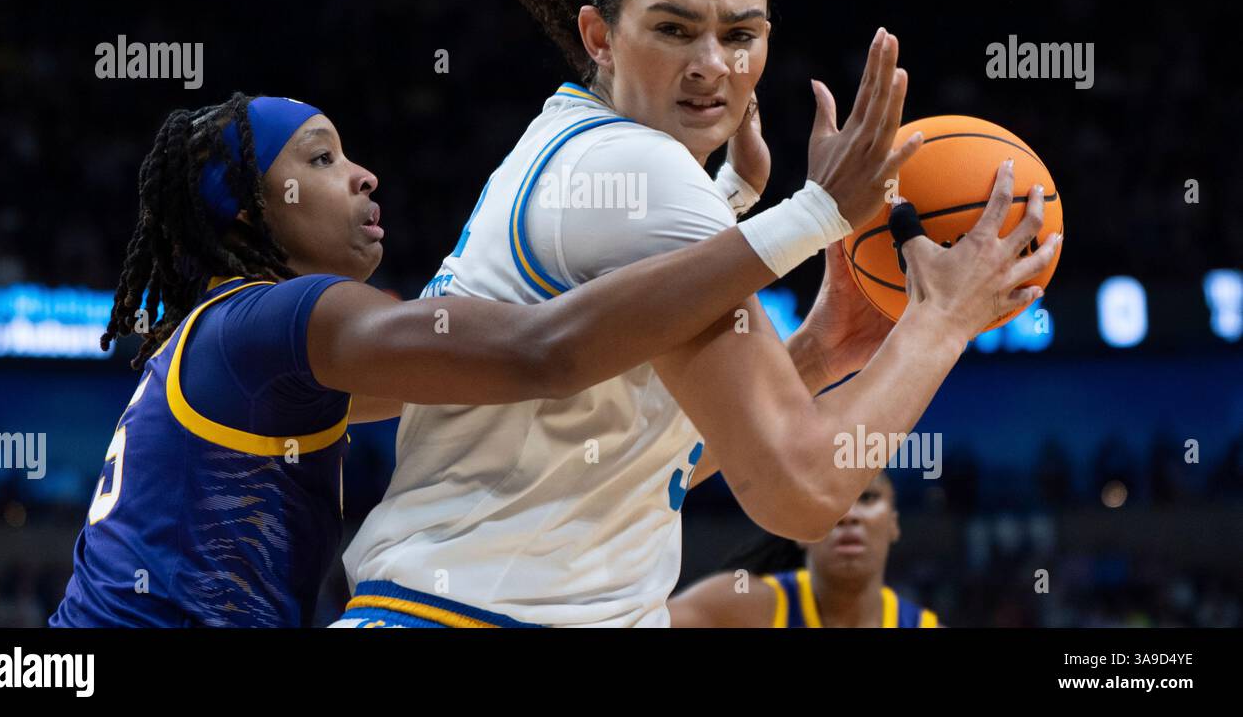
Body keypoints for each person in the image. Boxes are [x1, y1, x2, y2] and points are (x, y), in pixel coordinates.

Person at [337, 0, 1059, 628]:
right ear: (601, 37)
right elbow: (801, 494)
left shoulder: (571, 137)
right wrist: (941, 321)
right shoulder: (643, 175)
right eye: (674, 30)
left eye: (740, 35)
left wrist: (826, 345)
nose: (712, 65)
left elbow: (645, 444)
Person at [50, 90, 877, 627]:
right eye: (320, 158)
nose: (364, 175)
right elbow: (543, 352)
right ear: (247, 215)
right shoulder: (276, 320)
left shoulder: (245, 343)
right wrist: (812, 215)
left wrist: (719, 215)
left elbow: (526, 399)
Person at [668, 471, 941, 627]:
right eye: (829, 500)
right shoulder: (737, 605)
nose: (848, 515)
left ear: (893, 523)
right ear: (799, 528)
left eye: (868, 497)